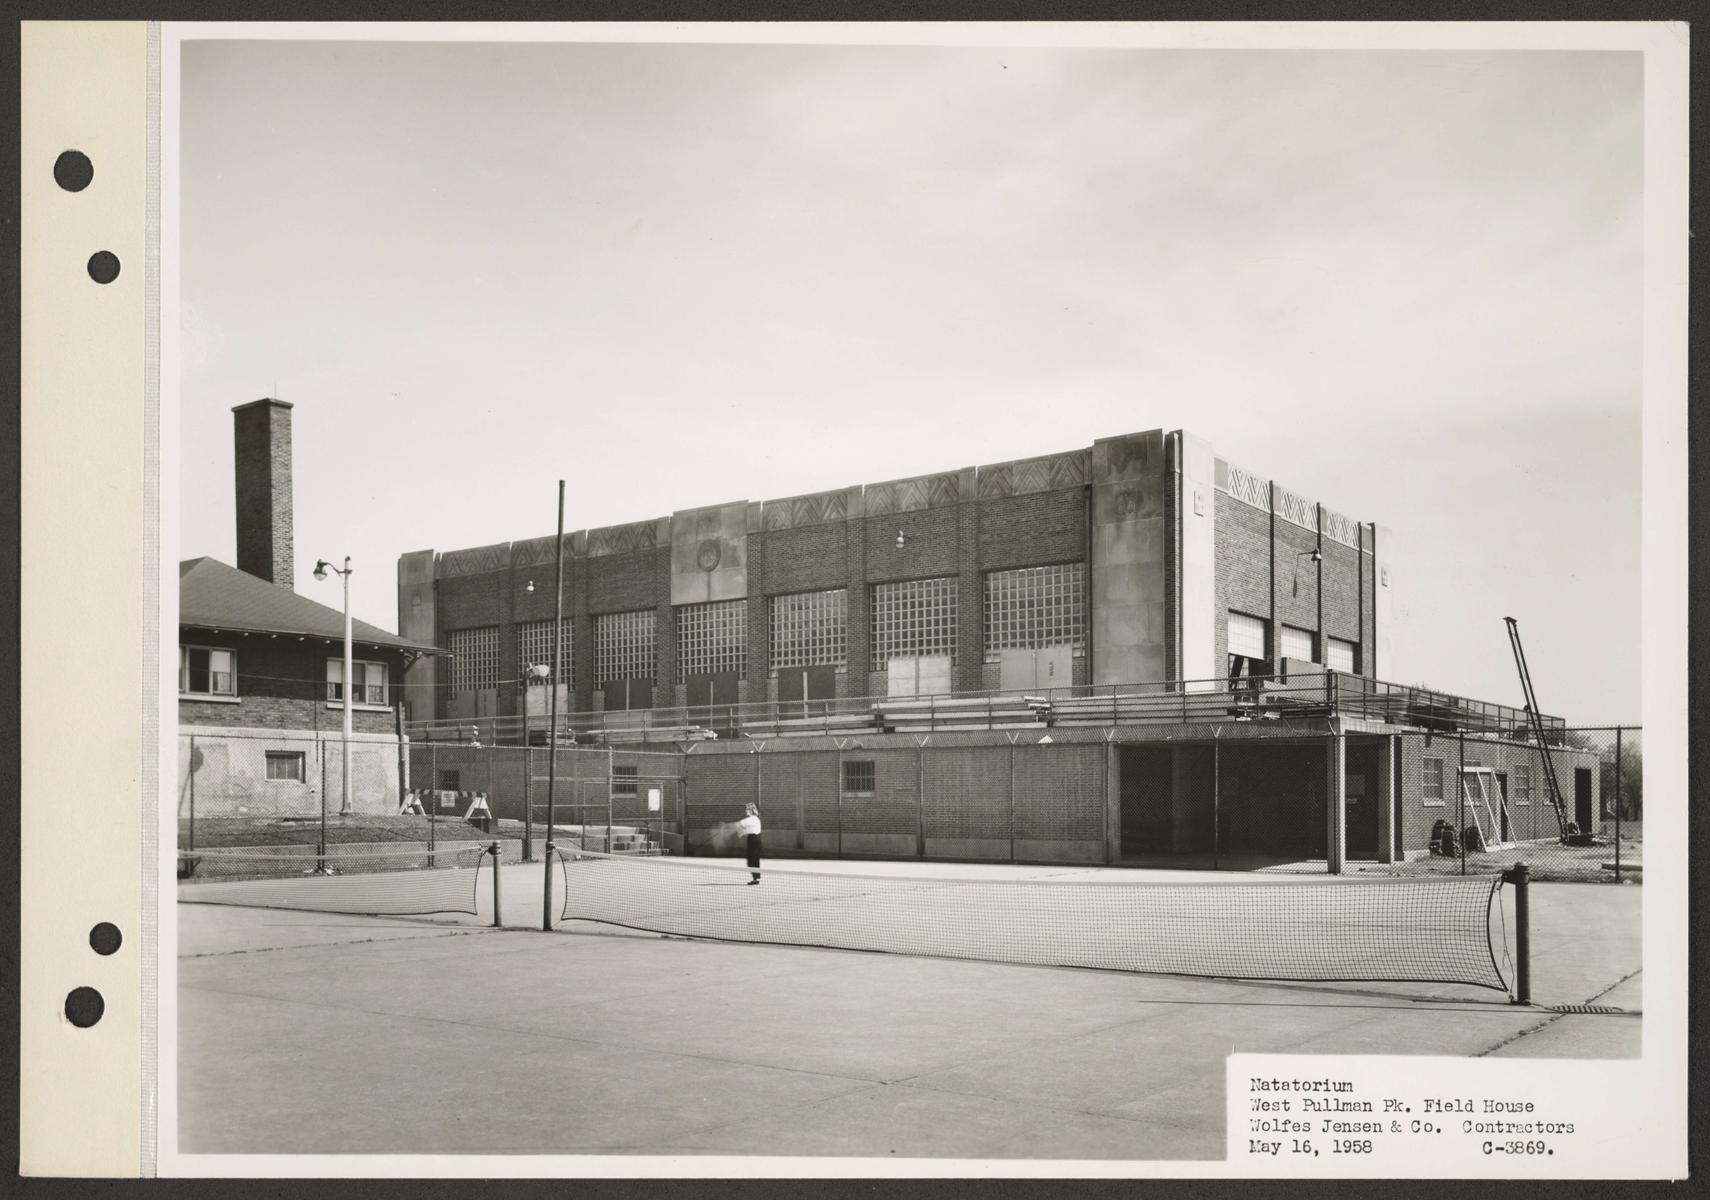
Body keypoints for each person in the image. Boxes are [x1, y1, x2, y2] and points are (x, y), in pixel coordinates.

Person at [736, 802, 762, 884]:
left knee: (752, 860)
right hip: (754, 839)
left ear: (751, 810)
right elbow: (745, 829)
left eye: (747, 809)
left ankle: (755, 878)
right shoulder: (754, 819)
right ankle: (755, 878)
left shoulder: (752, 819)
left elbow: (740, 824)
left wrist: (726, 826)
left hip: (753, 840)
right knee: (754, 860)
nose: (746, 811)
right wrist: (742, 832)